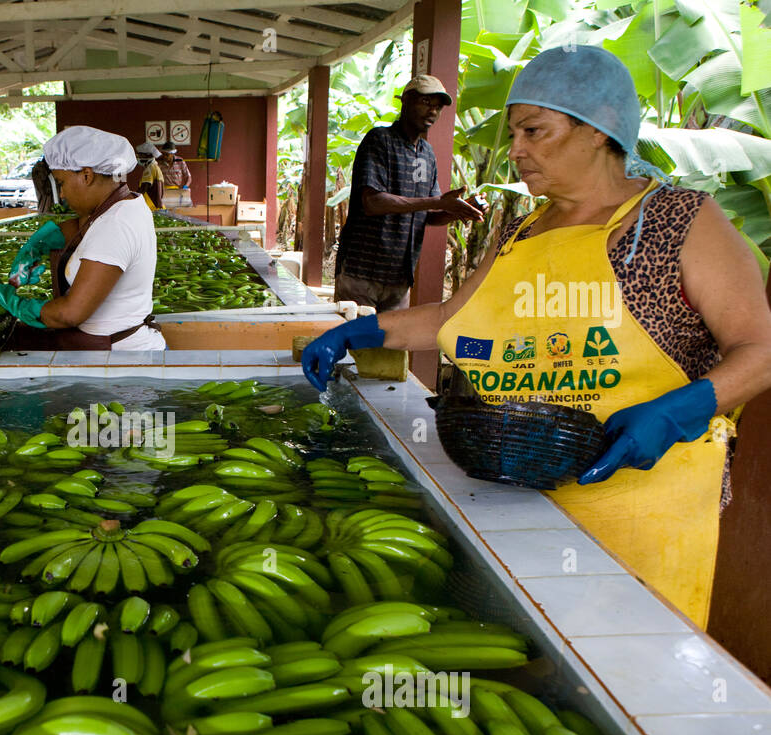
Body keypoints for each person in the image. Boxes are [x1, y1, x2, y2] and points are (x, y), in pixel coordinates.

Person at [302, 46, 771, 628]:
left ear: (598, 128)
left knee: (624, 672)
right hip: (512, 491)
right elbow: (453, 316)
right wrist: (362, 331)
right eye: (514, 132)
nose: (517, 149)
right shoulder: (522, 229)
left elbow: (759, 349)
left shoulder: (679, 219)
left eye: (534, 130)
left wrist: (678, 410)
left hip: (639, 500)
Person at [0, 126, 165, 351]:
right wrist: (39, 243)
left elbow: (70, 313)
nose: (64, 195)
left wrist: (18, 306)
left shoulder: (115, 225)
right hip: (117, 347)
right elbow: (84, 226)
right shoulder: (127, 204)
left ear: (86, 175)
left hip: (119, 360)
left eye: (62, 183)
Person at [332, 75, 485, 310]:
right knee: (357, 344)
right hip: (362, 274)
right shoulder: (379, 141)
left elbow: (429, 213)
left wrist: (458, 208)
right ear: (405, 101)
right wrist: (438, 201)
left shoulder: (427, 153)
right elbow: (373, 203)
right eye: (426, 103)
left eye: (438, 106)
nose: (432, 111)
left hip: (399, 279)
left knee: (392, 345)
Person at [157, 140, 191, 208]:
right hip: (163, 192)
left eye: (167, 155)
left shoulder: (180, 161)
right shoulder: (158, 162)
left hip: (177, 191)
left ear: (172, 154)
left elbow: (188, 177)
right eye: (163, 154)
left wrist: (186, 186)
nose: (164, 157)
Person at [135, 143, 164, 211]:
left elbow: (144, 188)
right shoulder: (154, 166)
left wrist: (132, 199)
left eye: (140, 155)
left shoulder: (150, 168)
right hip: (155, 205)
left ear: (148, 155)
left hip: (151, 206)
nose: (138, 157)